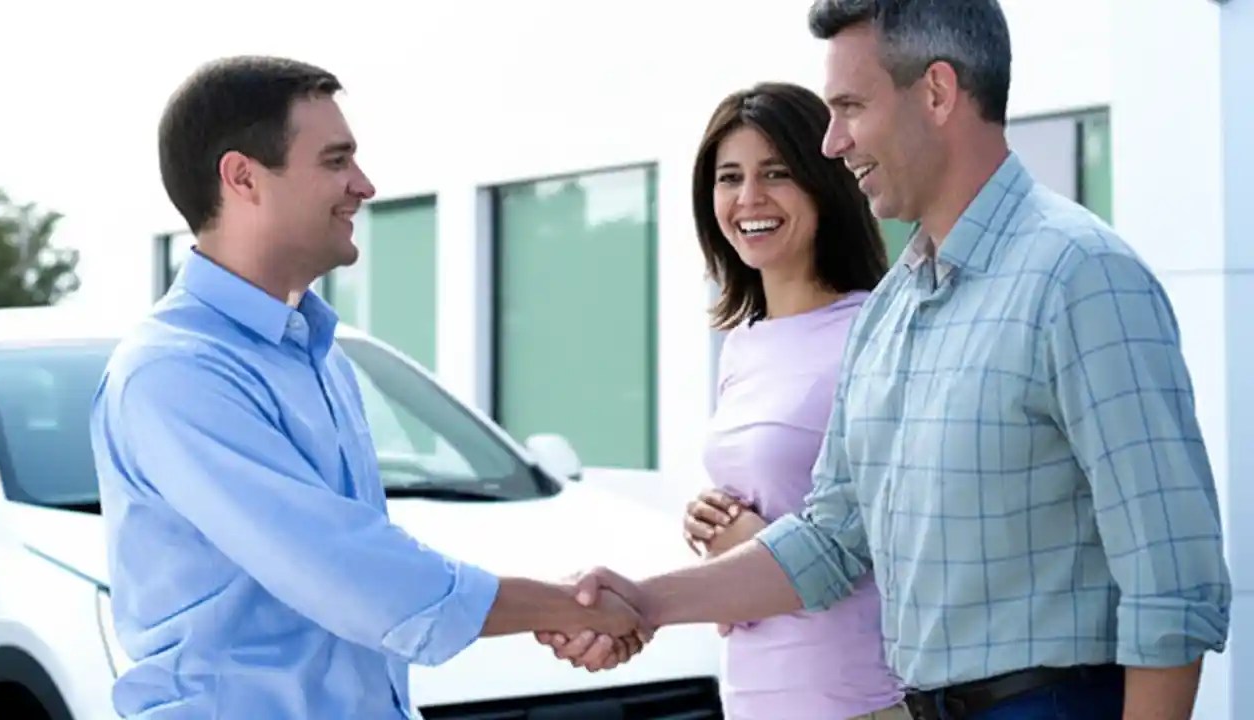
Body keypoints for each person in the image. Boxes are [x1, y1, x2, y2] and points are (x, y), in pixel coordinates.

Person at [539, 2, 1232, 719]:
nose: (834, 143)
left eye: (850, 107)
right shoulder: (892, 309)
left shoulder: (1080, 275)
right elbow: (833, 540)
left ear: (936, 92)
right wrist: (644, 600)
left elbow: (1173, 579)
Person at [89, 55, 646, 720]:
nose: (365, 185)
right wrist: (565, 605)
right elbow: (350, 573)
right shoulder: (174, 373)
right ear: (243, 178)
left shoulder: (318, 354)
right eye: (335, 160)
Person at [677, 82, 902, 719]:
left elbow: (911, 538)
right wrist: (709, 524)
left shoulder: (877, 333)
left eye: (775, 173)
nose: (749, 198)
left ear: (823, 184)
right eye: (729, 177)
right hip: (755, 697)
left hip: (859, 699)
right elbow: (770, 490)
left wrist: (758, 545)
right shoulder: (742, 345)